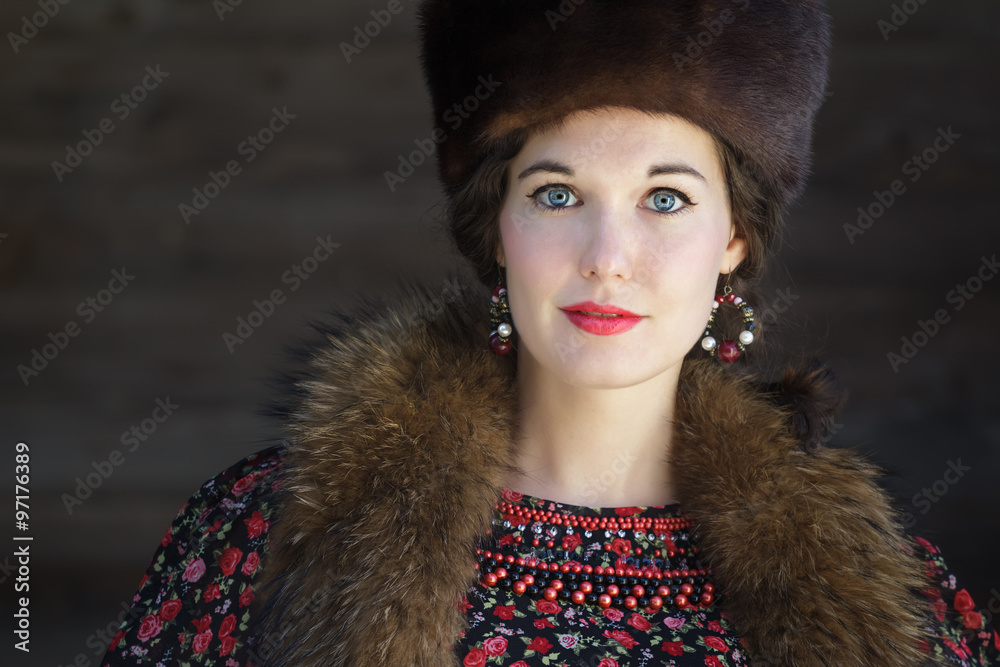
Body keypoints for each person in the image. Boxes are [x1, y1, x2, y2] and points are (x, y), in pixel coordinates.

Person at [102, 1, 999, 666]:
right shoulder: (265, 530)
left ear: (734, 238)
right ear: (499, 229)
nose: (608, 257)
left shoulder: (897, 608)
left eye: (666, 198)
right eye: (558, 194)